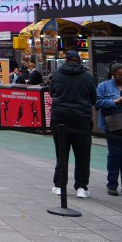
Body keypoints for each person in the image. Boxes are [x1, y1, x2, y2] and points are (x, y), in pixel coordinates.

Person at [48, 50, 96, 198]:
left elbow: (51, 93)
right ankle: (81, 187)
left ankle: (59, 186)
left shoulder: (56, 75)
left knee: (61, 153)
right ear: (79, 60)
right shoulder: (87, 77)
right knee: (83, 154)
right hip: (81, 119)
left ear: (66, 60)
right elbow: (93, 98)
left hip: (60, 119)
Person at [95, 63, 122, 196]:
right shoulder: (103, 86)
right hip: (113, 125)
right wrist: (115, 101)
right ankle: (112, 184)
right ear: (113, 74)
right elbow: (97, 102)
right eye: (120, 75)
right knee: (115, 154)